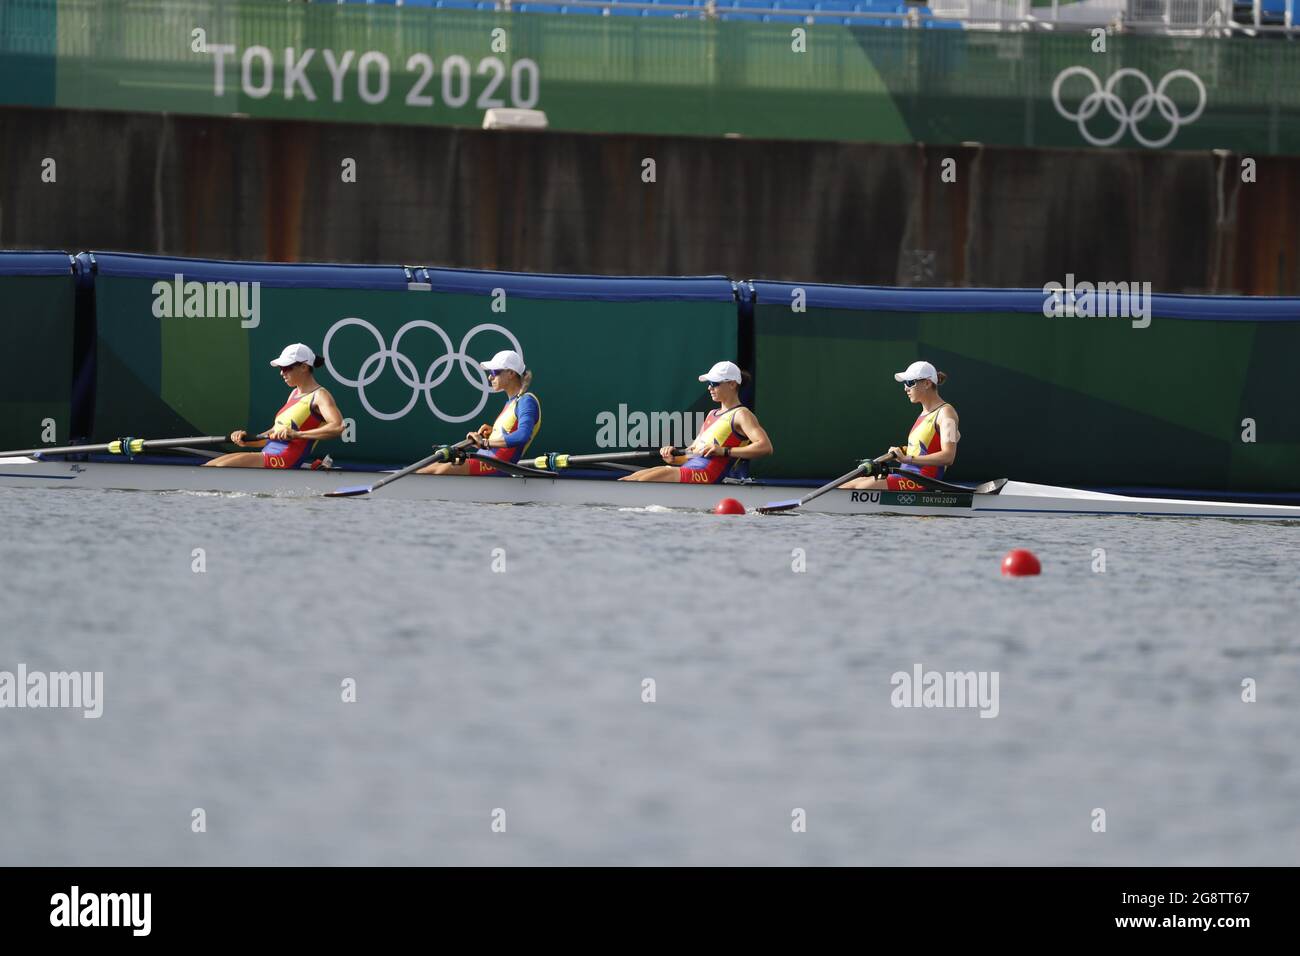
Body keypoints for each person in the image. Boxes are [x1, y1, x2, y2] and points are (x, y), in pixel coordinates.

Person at [621, 361, 773, 483]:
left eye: (714, 383)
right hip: (691, 469)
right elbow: (691, 453)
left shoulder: (741, 414)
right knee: (634, 477)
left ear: (732, 384)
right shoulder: (711, 414)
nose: (709, 388)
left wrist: (724, 451)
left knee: (656, 475)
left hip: (708, 475)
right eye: (709, 384)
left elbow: (765, 447)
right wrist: (674, 458)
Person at [206, 343, 345, 469]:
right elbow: (271, 435)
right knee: (209, 466)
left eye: (286, 368)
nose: (281, 373)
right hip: (268, 454)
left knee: (220, 467)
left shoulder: (320, 395)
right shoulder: (293, 394)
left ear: (304, 367)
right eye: (280, 368)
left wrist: (297, 434)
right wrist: (246, 440)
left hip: (285, 459)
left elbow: (338, 427)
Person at [418, 350, 541, 476]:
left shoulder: (527, 401)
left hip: (497, 465)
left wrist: (485, 443)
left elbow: (522, 436)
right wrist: (493, 433)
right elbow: (510, 432)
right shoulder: (512, 402)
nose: (490, 377)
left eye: (494, 372)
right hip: (486, 460)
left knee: (436, 470)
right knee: (432, 466)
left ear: (510, 373)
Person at [842, 360, 959, 492]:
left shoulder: (946, 413)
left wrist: (907, 459)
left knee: (860, 487)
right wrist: (903, 451)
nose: (905, 388)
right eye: (905, 383)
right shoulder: (924, 414)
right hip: (906, 476)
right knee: (851, 483)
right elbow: (925, 448)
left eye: (910, 383)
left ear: (927, 383)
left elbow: (949, 457)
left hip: (922, 481)